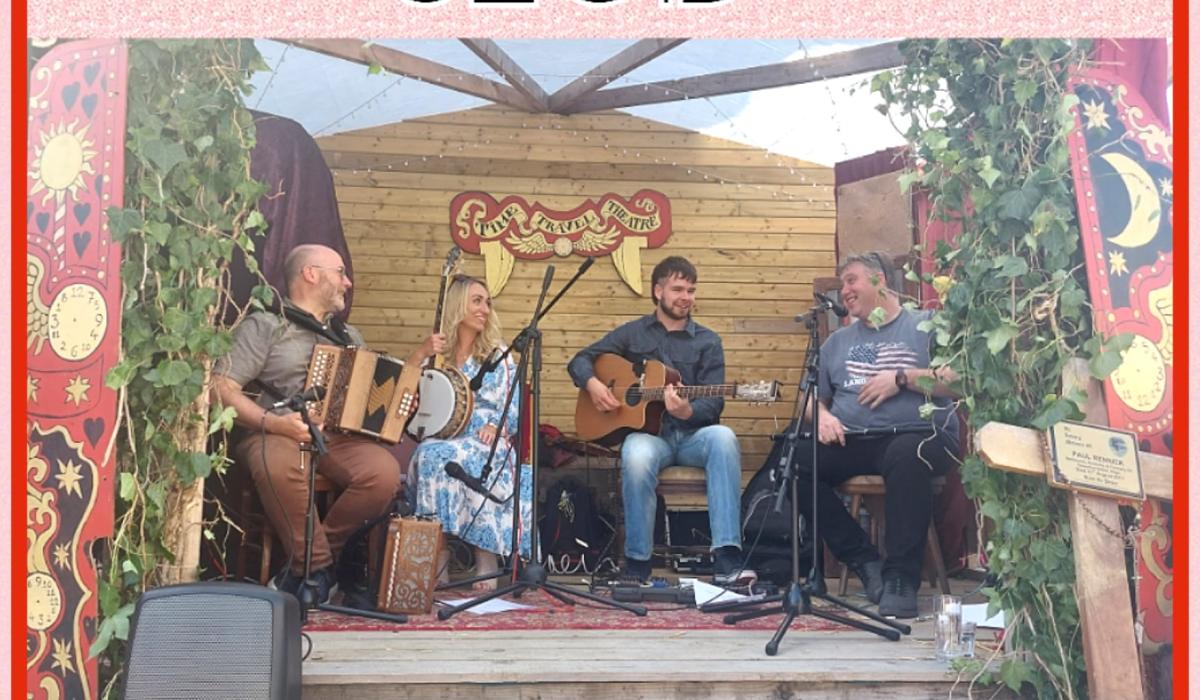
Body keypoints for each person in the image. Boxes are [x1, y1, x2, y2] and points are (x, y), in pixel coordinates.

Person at [213, 244, 443, 606]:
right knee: (278, 463)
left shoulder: (350, 336)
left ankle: (315, 570)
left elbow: (371, 398)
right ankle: (319, 567)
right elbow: (222, 388)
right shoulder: (267, 326)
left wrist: (398, 404)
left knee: (382, 473)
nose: (347, 282)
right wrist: (275, 423)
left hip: (337, 436)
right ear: (311, 274)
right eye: (340, 272)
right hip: (274, 430)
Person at [567, 256, 753, 586]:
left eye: (691, 290)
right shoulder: (633, 333)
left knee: (724, 438)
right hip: (651, 436)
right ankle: (638, 562)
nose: (686, 297)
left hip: (694, 437)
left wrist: (687, 411)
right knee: (635, 454)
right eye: (678, 288)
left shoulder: (708, 341)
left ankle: (727, 556)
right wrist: (594, 385)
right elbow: (581, 360)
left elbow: (714, 400)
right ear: (658, 291)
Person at [796, 251, 961, 618]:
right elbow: (809, 400)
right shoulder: (837, 342)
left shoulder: (927, 324)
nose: (845, 291)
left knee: (907, 454)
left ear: (879, 280)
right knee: (797, 462)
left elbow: (959, 380)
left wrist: (902, 378)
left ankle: (901, 577)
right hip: (855, 439)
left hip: (919, 433)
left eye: (851, 280)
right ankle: (864, 561)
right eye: (842, 285)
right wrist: (821, 416)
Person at [411, 275, 533, 593]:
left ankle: (486, 555)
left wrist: (498, 427)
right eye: (477, 301)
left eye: (487, 302)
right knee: (428, 454)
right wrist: (419, 354)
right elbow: (405, 396)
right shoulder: (438, 356)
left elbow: (514, 408)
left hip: (486, 440)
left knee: (469, 455)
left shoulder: (497, 356)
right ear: (457, 306)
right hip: (445, 438)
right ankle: (436, 553)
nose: (485, 309)